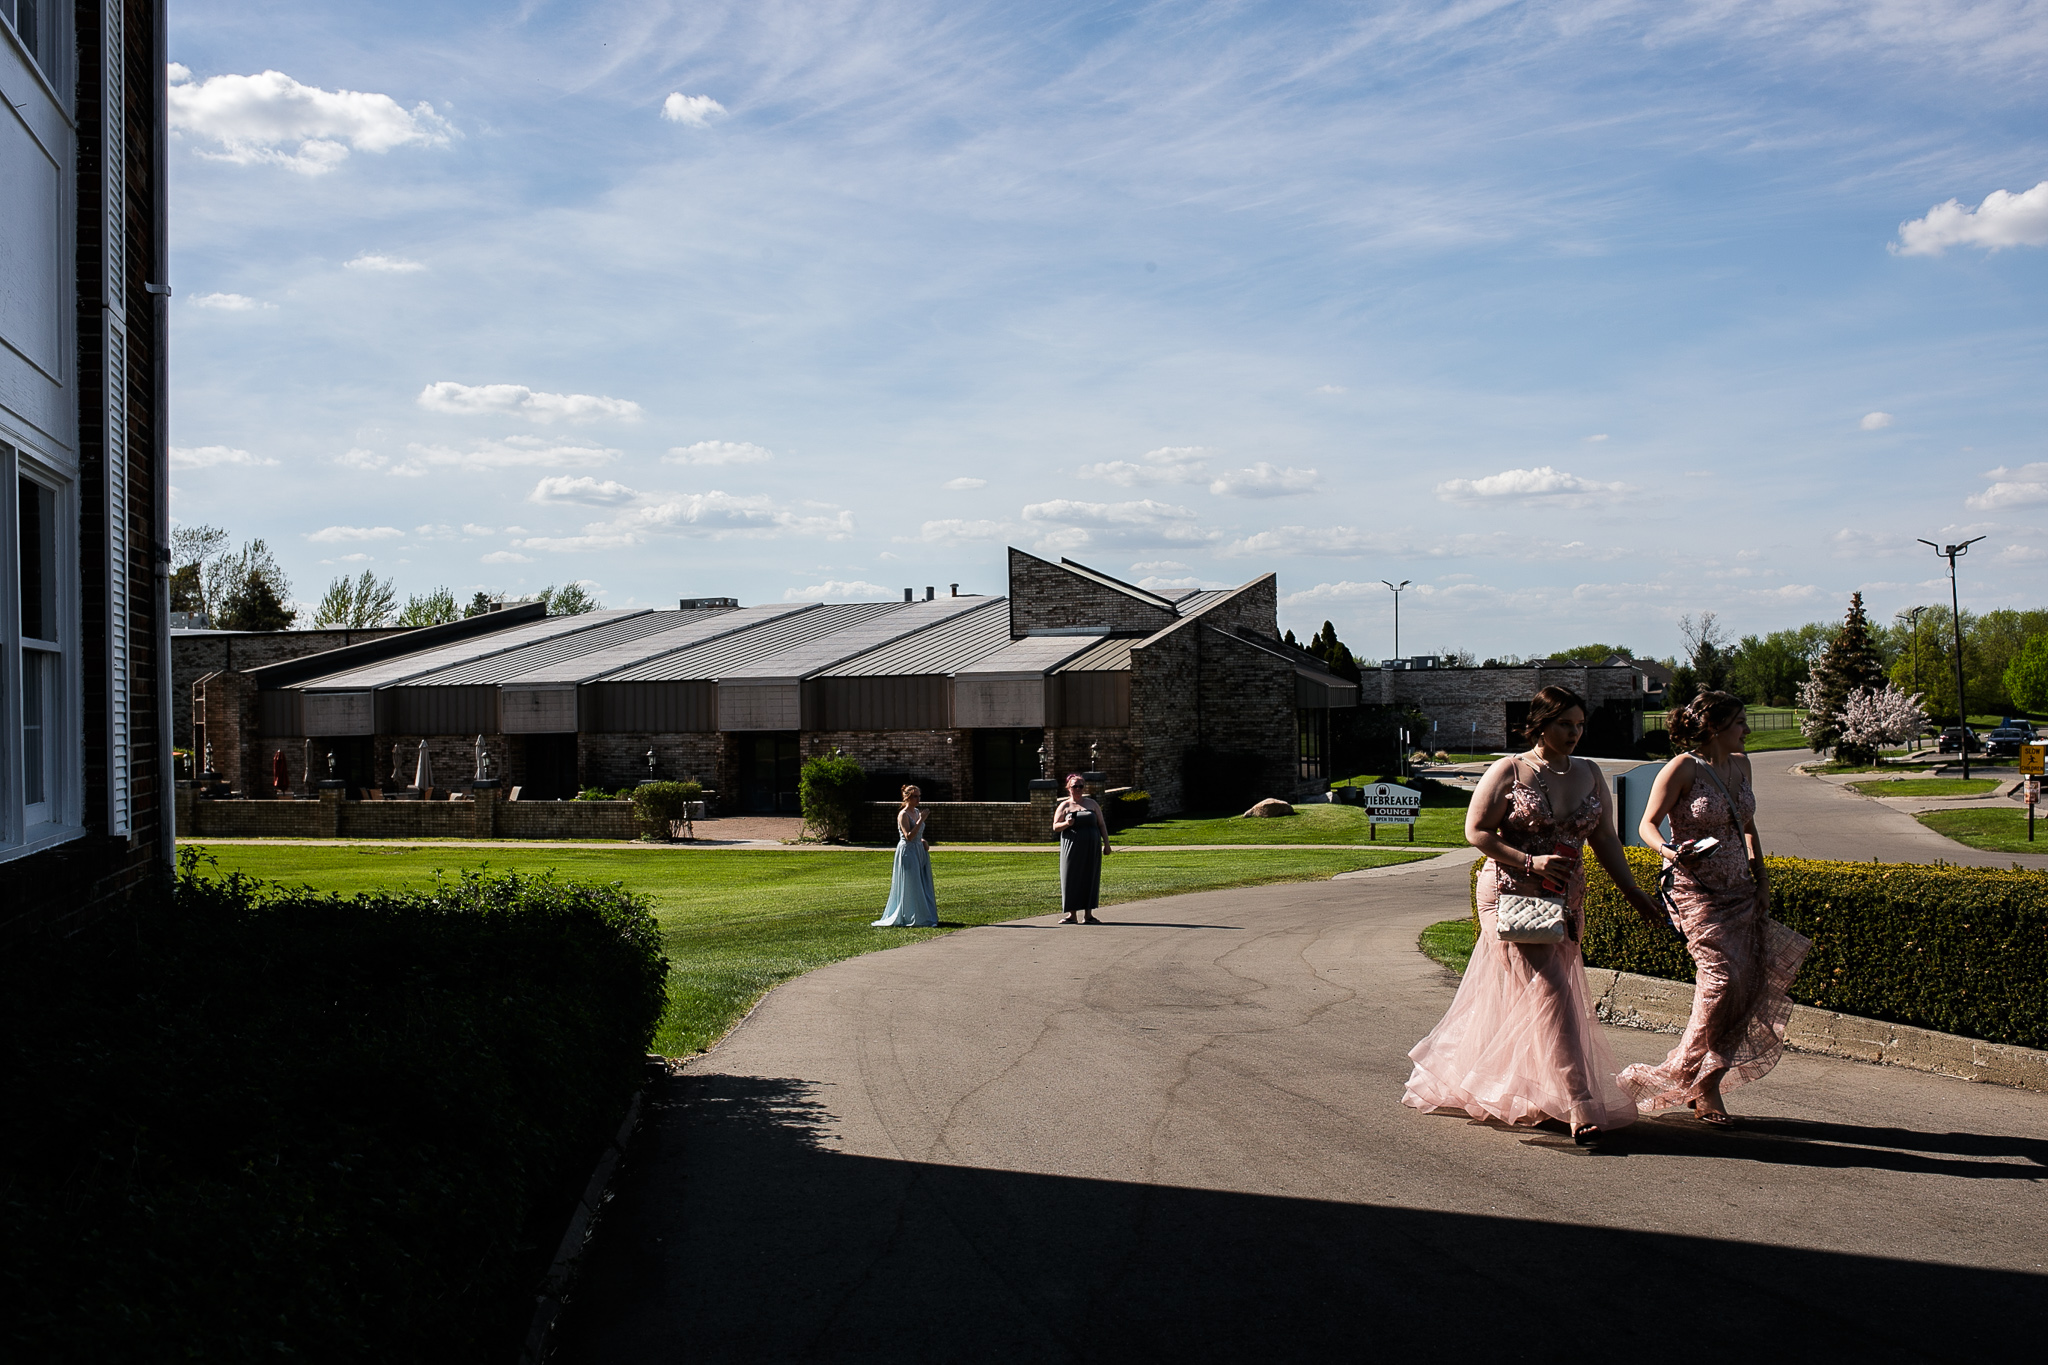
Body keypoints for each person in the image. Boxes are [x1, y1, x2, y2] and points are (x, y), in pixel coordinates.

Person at [1405, 686, 1666, 1143]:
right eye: (1565, 724)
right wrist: (1530, 862)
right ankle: (1579, 1100)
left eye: (1580, 725)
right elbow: (1476, 831)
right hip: (1509, 890)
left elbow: (1605, 837)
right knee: (1553, 988)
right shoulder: (1510, 770)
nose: (1574, 733)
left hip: (1566, 897)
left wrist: (1633, 891)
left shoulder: (1589, 772)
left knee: (1543, 991)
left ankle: (1529, 1091)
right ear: (1541, 724)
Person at [1618, 691, 1810, 1125]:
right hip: (1696, 889)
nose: (1746, 729)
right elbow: (1646, 823)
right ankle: (1678, 1074)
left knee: (1748, 984)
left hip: (1741, 889)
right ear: (1715, 727)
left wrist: (1762, 881)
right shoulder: (1682, 767)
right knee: (1721, 981)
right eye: (1740, 722)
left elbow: (1749, 829)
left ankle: (1708, 1083)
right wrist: (1668, 851)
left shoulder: (1742, 766)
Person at [871, 785, 938, 928]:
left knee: (922, 882)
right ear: (907, 797)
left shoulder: (916, 811)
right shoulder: (903, 814)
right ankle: (908, 916)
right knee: (911, 883)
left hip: (919, 850)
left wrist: (923, 841)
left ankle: (923, 915)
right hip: (908, 851)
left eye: (919, 796)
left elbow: (917, 835)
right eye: (915, 796)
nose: (918, 799)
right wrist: (922, 819)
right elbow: (908, 836)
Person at [1052, 772, 1112, 924]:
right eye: (1075, 786)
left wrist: (1107, 844)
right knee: (1071, 878)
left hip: (1091, 847)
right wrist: (1067, 824)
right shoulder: (1064, 806)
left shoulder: (1092, 804)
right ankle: (1072, 915)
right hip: (1071, 848)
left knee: (1089, 877)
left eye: (1081, 786)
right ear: (1068, 788)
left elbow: (1101, 824)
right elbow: (1055, 827)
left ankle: (1088, 915)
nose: (1078, 789)